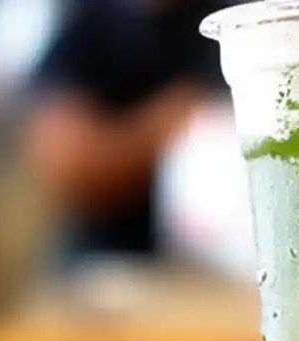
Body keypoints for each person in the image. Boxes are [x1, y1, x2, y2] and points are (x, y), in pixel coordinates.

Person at [24, 0, 227, 263]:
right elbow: (66, 164)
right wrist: (165, 125)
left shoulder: (223, 21)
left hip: (221, 260)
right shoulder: (87, 33)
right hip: (109, 263)